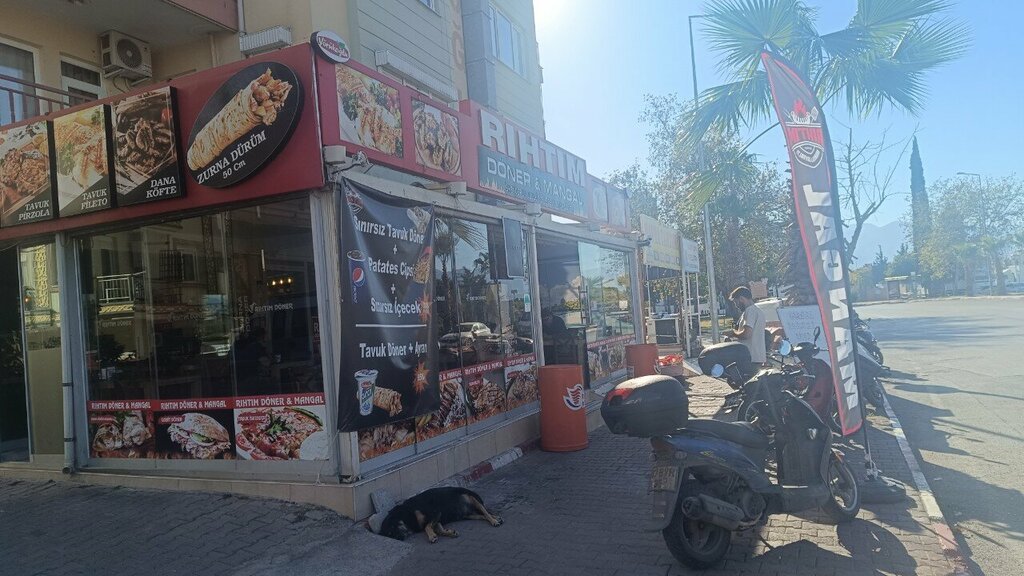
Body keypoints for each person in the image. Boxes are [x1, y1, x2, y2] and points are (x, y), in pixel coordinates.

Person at [723, 286, 766, 371]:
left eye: (736, 302)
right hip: (757, 356)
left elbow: (747, 334)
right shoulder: (758, 311)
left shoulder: (750, 311)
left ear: (741, 299)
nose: (736, 306)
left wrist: (732, 333)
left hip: (748, 357)